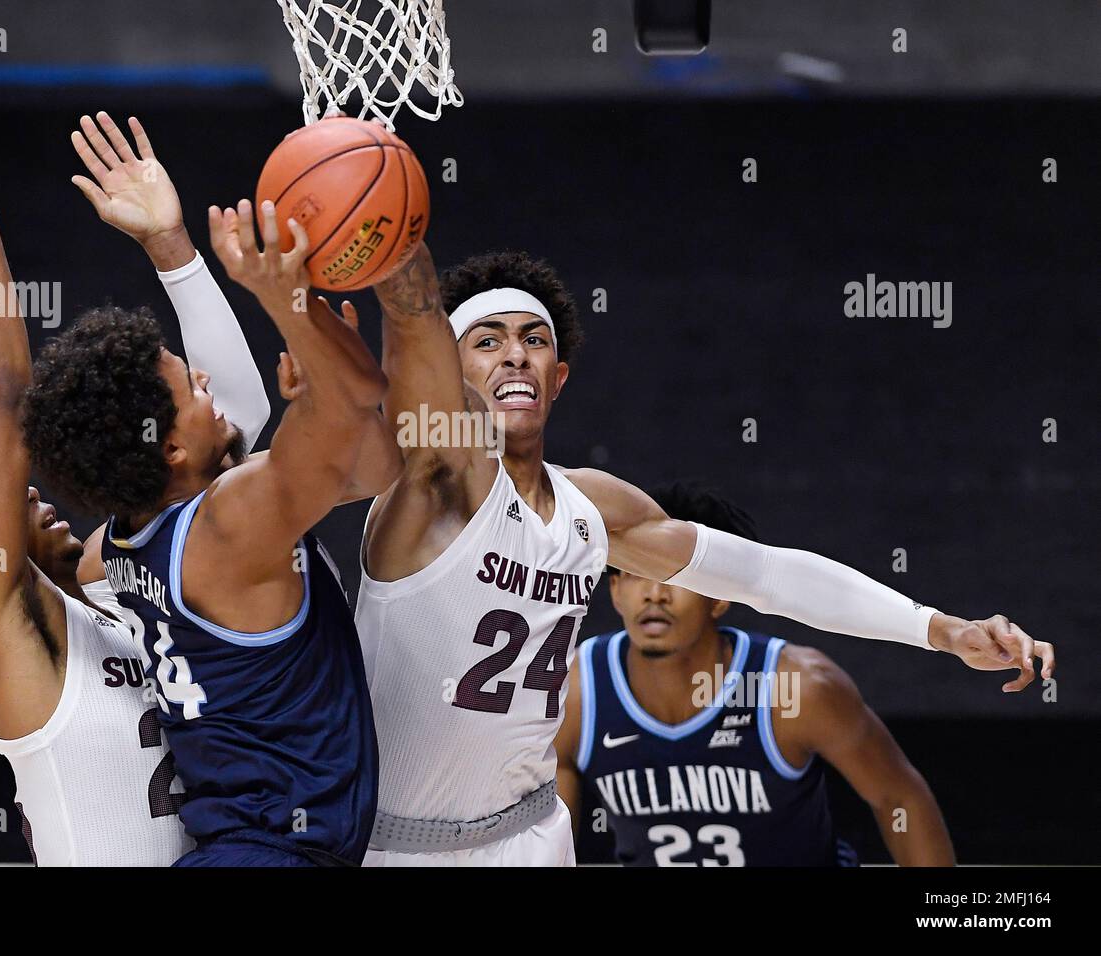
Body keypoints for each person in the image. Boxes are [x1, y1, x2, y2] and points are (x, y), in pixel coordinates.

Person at [355, 245, 1054, 866]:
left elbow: (769, 574)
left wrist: (942, 630)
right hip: (401, 839)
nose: (514, 354)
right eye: (487, 340)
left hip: (533, 835)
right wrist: (394, 247)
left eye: (533, 339)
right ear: (450, 370)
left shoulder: (594, 512)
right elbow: (414, 330)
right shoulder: (432, 484)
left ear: (558, 376)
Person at [0, 44, 273, 864]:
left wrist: (173, 248)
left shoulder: (116, 575)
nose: (12, 498)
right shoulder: (1, 626)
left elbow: (233, 425)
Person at [21, 159, 403, 863]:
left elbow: (376, 465)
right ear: (168, 446)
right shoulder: (230, 525)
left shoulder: (120, 545)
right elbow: (360, 394)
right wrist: (286, 301)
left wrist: (172, 245)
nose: (203, 379)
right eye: (187, 384)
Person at [555, 481, 956, 866]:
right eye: (635, 574)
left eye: (674, 577)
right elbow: (551, 839)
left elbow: (899, 797)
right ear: (614, 590)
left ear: (721, 596)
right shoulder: (575, 692)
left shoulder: (793, 687)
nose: (654, 593)